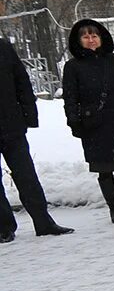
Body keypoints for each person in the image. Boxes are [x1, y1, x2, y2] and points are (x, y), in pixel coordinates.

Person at [62, 19, 114, 224]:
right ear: (78, 40)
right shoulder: (73, 67)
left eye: (94, 35)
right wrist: (74, 121)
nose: (91, 40)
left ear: (101, 37)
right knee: (104, 170)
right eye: (86, 36)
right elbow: (70, 97)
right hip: (93, 123)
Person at [0, 37, 72, 242]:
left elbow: (21, 81)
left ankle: (43, 222)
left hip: (11, 125)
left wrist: (29, 116)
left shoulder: (3, 47)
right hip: (11, 123)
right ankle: (4, 227)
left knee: (27, 175)